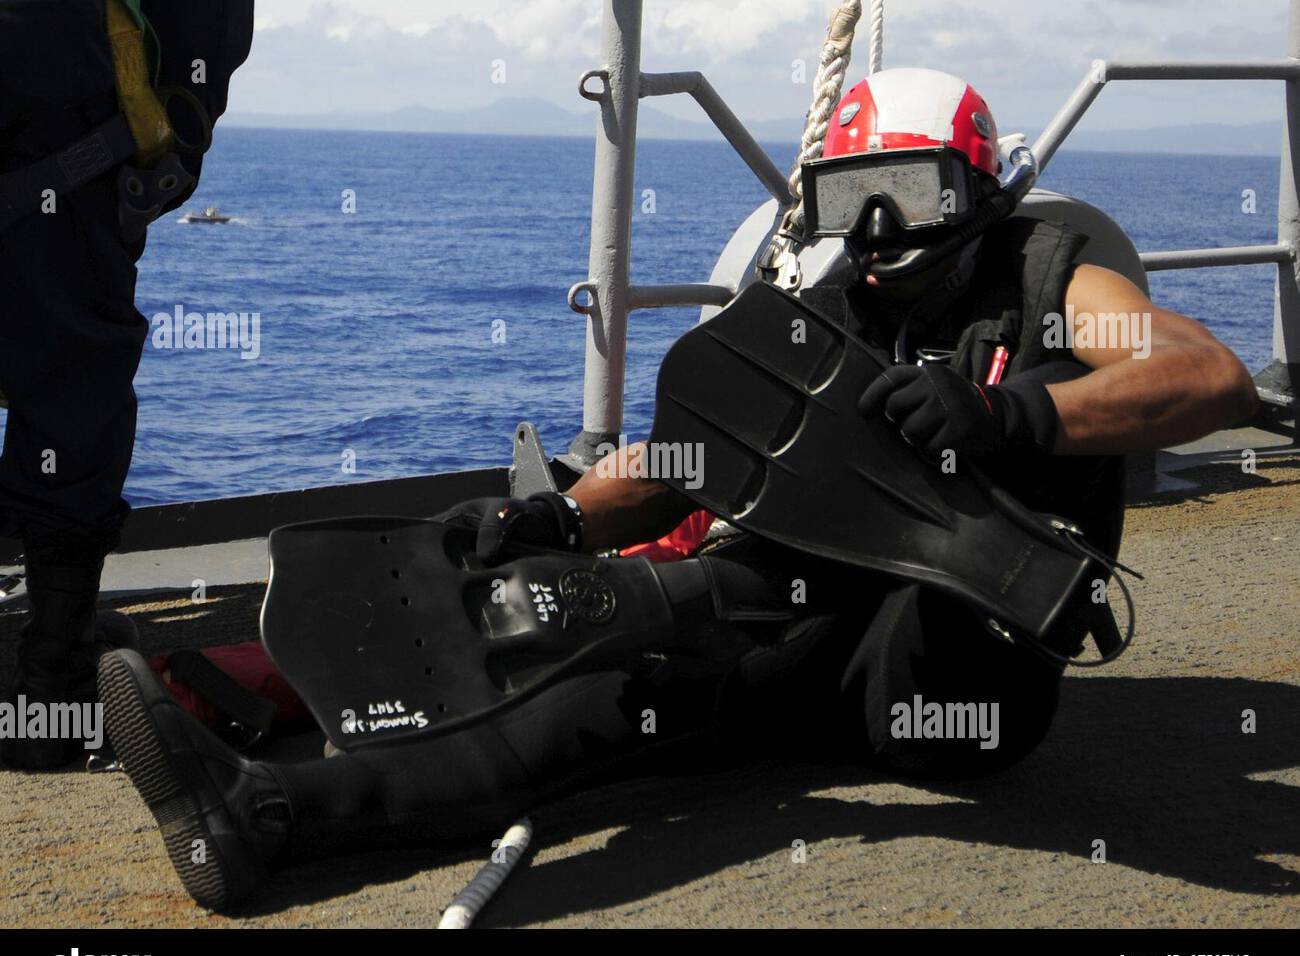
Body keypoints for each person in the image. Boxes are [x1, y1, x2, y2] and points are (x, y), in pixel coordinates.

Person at [97, 68, 1259, 910]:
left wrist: (1014, 411)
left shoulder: (1047, 272)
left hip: (964, 668)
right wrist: (552, 515)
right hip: (816, 649)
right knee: (594, 716)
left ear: (978, 187)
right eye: (854, 195)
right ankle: (263, 817)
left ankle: (637, 604)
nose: (880, 225)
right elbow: (693, 460)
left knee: (720, 597)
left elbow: (1205, 372)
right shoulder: (827, 312)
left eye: (907, 188)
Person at [0, 1, 254, 769]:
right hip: (58, 121)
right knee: (74, 389)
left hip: (56, 116)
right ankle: (53, 683)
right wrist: (171, 139)